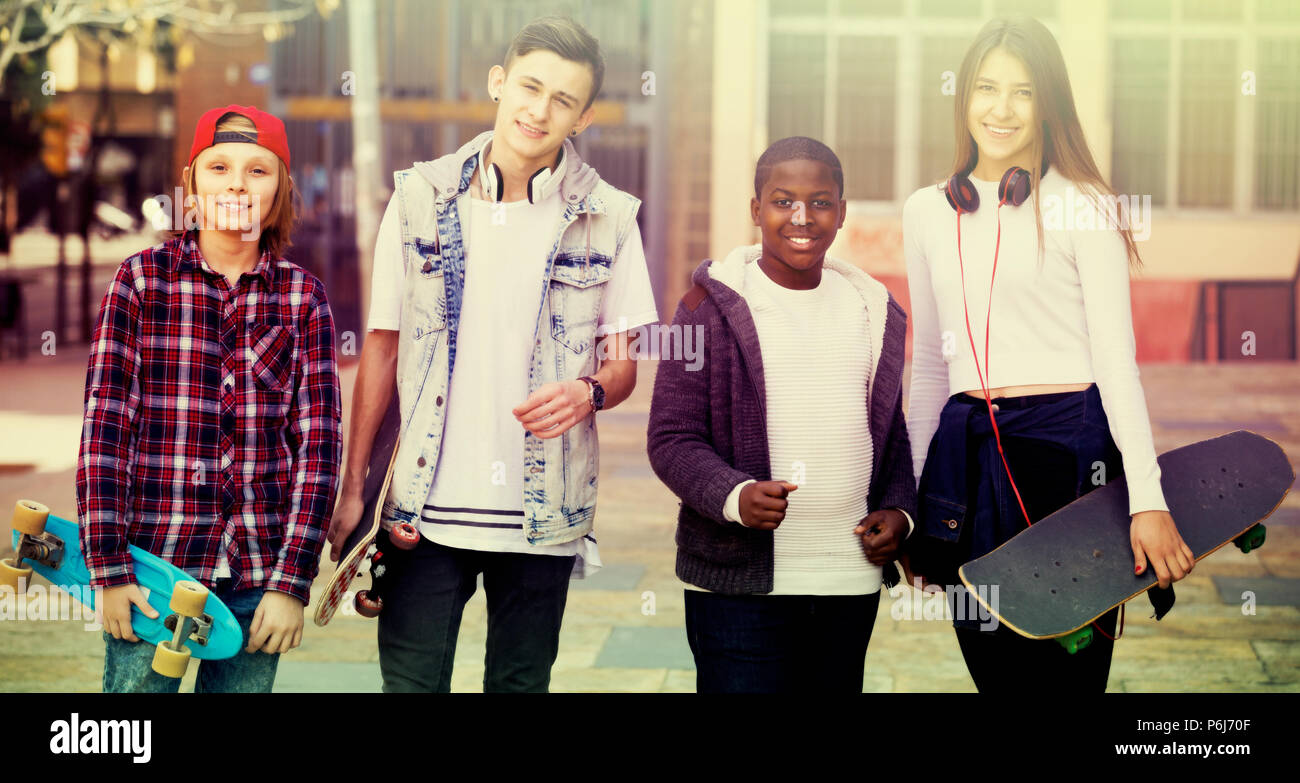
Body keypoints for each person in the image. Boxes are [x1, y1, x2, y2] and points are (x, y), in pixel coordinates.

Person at [327, 16, 658, 693]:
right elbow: (382, 350)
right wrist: (355, 485)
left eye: (563, 100)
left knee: (520, 685)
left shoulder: (611, 215)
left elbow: (621, 364)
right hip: (422, 507)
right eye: (530, 87)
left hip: (545, 517)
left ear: (584, 117)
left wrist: (589, 392)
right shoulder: (419, 197)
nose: (539, 110)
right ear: (498, 83)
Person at [902, 15, 1194, 693]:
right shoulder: (926, 211)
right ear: (963, 96)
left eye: (1023, 92)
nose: (1000, 109)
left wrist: (1146, 499)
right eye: (985, 88)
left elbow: (1117, 362)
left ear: (1049, 102)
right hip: (967, 462)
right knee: (995, 675)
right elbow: (929, 363)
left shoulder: (1084, 205)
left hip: (1067, 459)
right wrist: (918, 500)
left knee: (1066, 679)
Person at [78, 105, 343, 692]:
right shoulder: (141, 282)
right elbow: (104, 433)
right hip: (152, 571)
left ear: (282, 191)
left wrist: (291, 583)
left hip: (258, 578)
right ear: (192, 185)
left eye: (258, 171)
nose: (237, 185)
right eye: (219, 167)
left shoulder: (304, 300)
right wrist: (109, 569)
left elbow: (318, 450)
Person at [647, 137, 917, 693]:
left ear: (841, 212)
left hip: (847, 581)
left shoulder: (874, 310)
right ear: (756, 210)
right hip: (736, 590)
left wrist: (899, 510)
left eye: (820, 202)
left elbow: (889, 433)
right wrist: (732, 494)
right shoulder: (702, 309)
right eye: (782, 200)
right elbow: (671, 437)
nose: (802, 217)